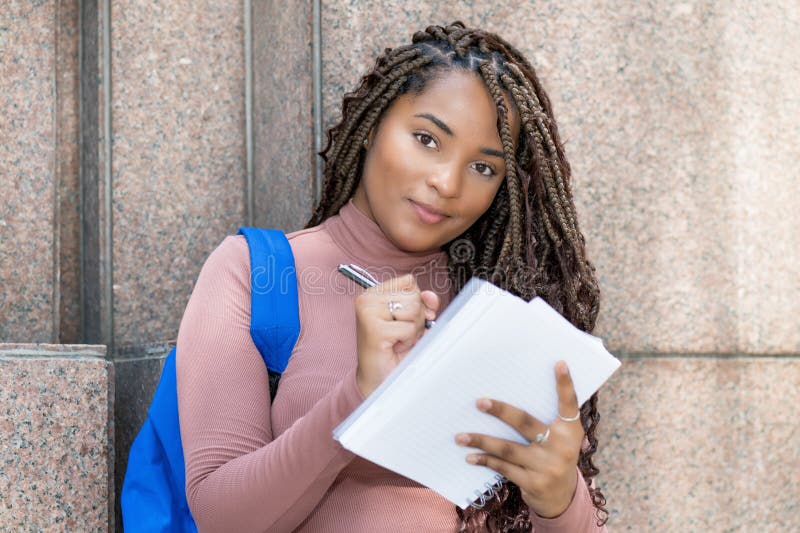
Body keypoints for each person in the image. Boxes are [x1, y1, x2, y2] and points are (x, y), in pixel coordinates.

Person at [176, 21, 608, 532]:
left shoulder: (508, 311)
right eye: (426, 139)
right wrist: (358, 396)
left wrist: (559, 499)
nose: (446, 182)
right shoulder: (258, 273)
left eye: (484, 168)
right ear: (372, 128)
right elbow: (221, 519)